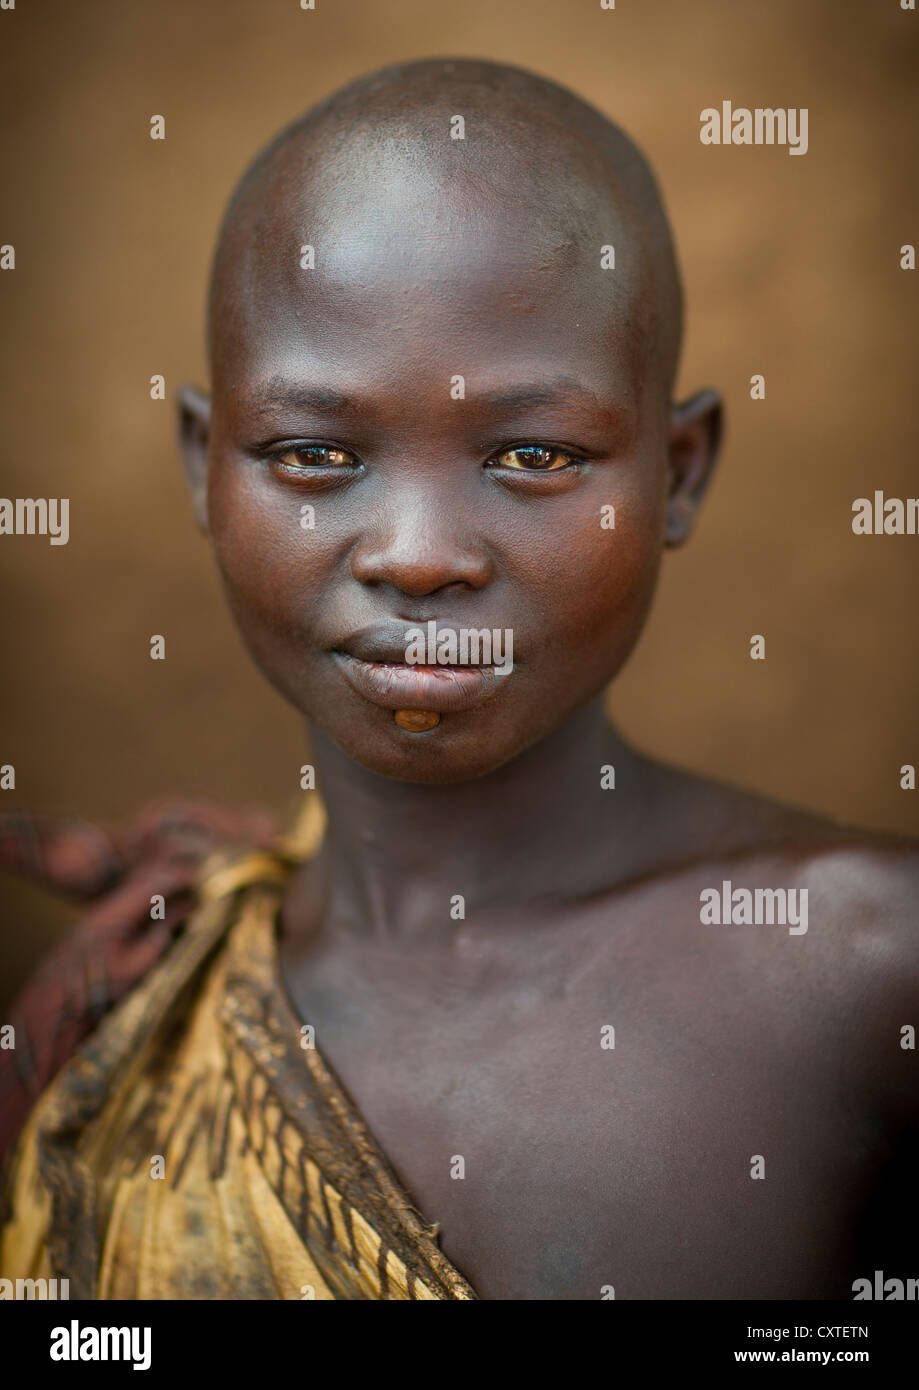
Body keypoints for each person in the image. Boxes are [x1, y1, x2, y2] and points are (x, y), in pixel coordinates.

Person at [1, 57, 917, 1301]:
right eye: (314, 452)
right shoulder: (129, 1012)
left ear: (680, 471)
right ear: (203, 467)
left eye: (536, 453)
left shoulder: (865, 973)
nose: (420, 555)